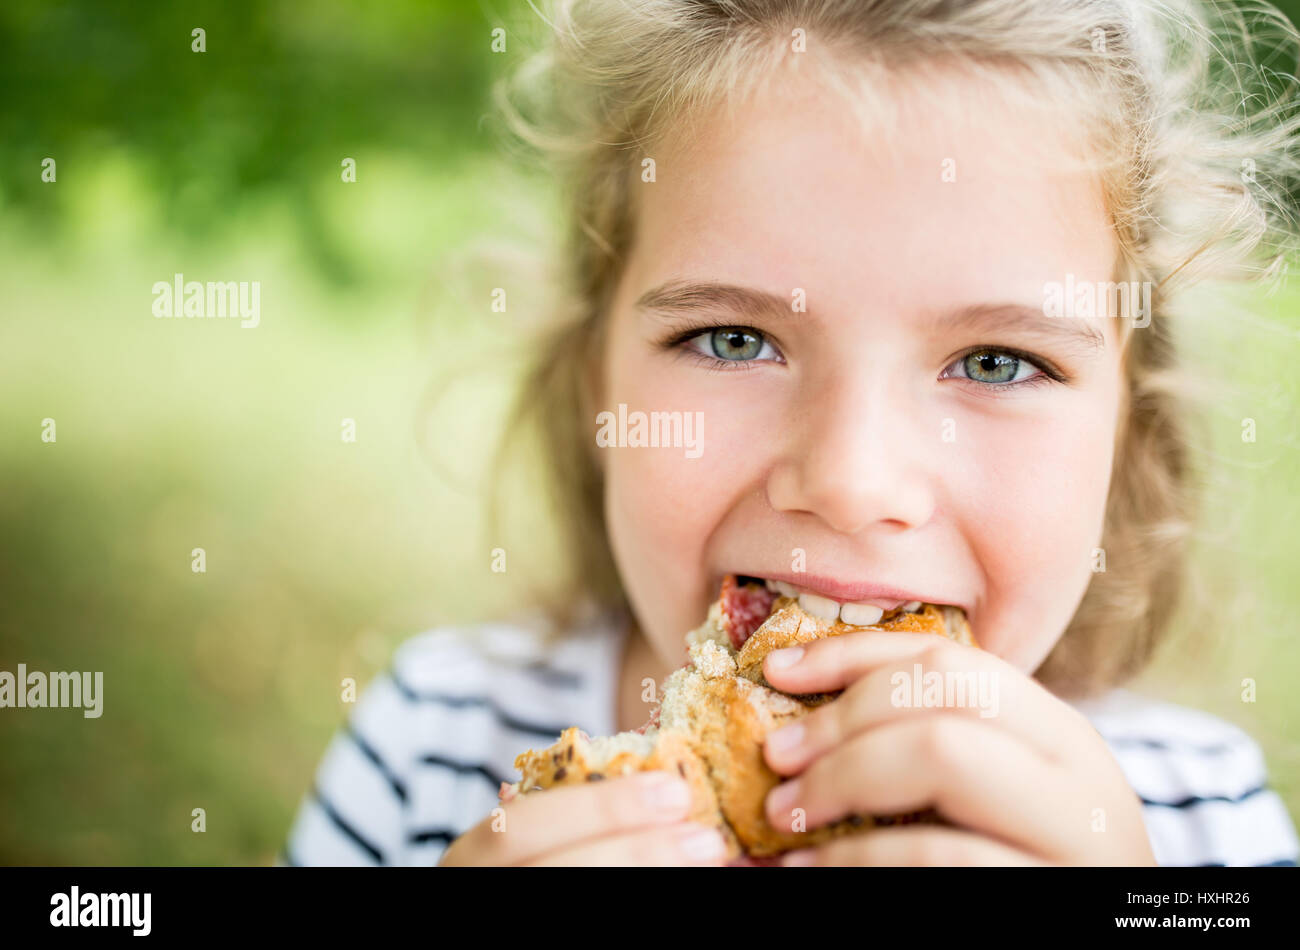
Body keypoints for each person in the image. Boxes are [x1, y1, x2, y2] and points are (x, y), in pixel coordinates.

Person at [283, 0, 1300, 866]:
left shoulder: (1201, 828)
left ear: (1129, 423)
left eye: (996, 362)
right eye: (731, 339)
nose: (851, 480)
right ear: (597, 379)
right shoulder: (429, 751)